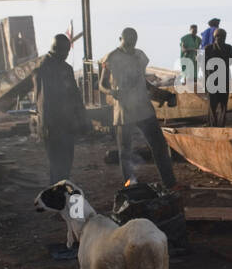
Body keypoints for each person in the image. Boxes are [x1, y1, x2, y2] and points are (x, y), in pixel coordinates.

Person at [100, 28, 179, 189]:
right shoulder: (111, 58)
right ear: (120, 38)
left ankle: (169, 183)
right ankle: (131, 186)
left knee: (159, 146)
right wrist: (111, 92)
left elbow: (143, 84)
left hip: (143, 107)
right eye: (127, 40)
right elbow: (101, 85)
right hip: (124, 111)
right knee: (125, 152)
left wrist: (164, 95)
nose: (130, 44)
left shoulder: (139, 56)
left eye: (133, 41)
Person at [33, 34, 88, 183]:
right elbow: (44, 101)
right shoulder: (45, 67)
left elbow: (75, 96)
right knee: (57, 166)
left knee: (66, 164)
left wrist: (82, 120)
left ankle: (62, 193)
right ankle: (57, 198)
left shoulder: (65, 68)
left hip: (66, 124)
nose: (67, 55)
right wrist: (45, 126)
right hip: (53, 126)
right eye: (66, 52)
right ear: (59, 50)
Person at [204, 27, 232, 127]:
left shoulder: (226, 48)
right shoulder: (209, 49)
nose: (221, 39)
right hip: (215, 81)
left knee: (220, 105)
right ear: (215, 37)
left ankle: (218, 126)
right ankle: (214, 125)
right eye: (219, 37)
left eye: (222, 37)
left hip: (221, 81)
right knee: (215, 106)